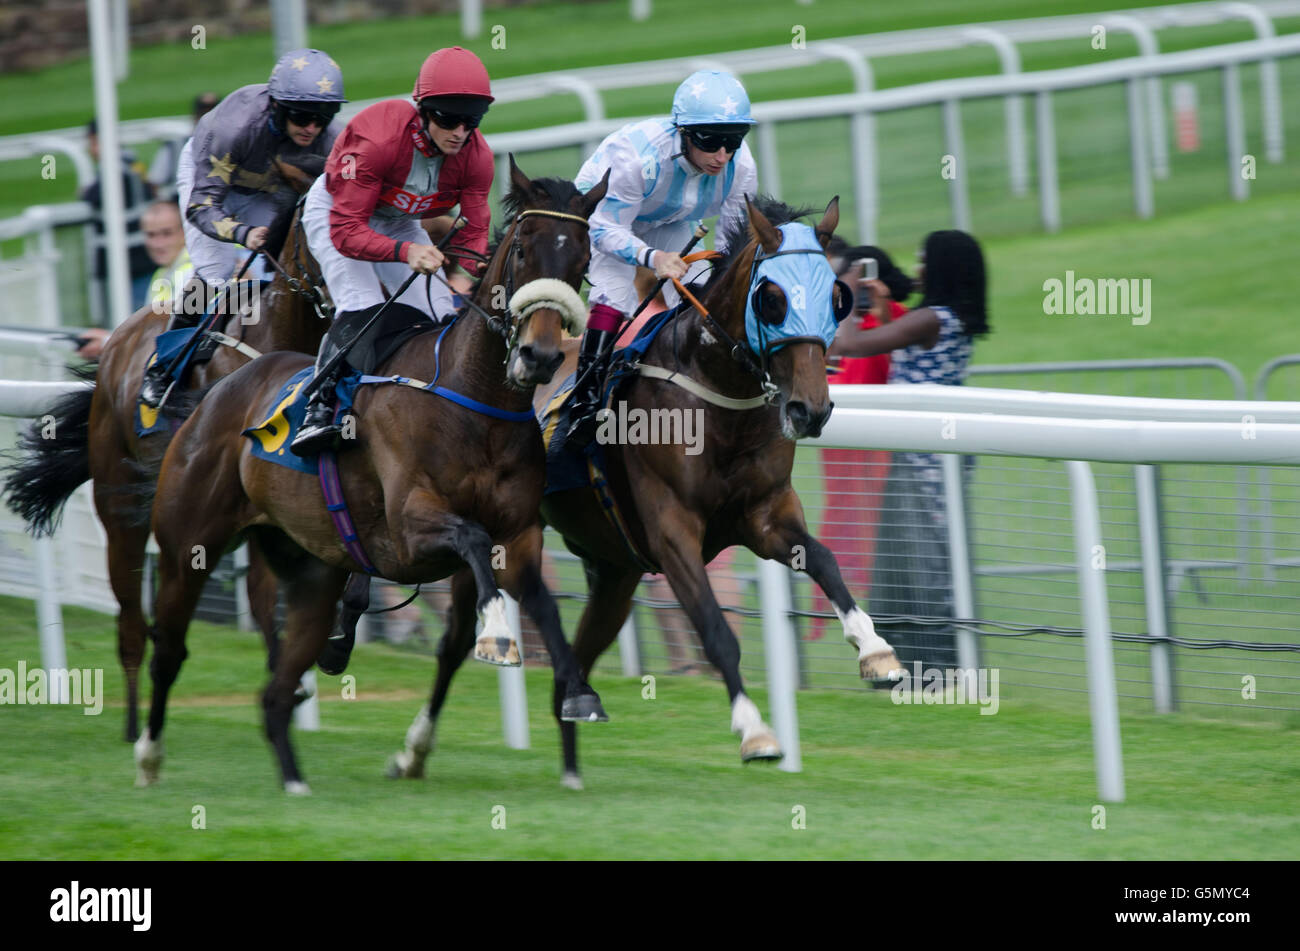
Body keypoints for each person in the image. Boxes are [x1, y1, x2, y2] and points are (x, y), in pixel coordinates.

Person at [291, 46, 495, 456]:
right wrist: (406, 253)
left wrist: (471, 272)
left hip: (398, 218)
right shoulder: (378, 138)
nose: (459, 132)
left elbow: (474, 231)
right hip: (340, 213)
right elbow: (348, 233)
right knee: (362, 303)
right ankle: (319, 407)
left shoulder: (476, 156)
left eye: (470, 121)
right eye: (448, 119)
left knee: (441, 310)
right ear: (422, 109)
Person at [138, 48, 345, 409]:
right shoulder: (233, 127)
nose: (312, 128)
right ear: (278, 106)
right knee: (216, 272)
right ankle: (164, 369)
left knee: (289, 263)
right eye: (302, 117)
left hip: (268, 186)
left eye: (323, 117)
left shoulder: (331, 140)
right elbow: (202, 206)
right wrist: (241, 234)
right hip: (213, 183)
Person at [564, 69, 759, 448]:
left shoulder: (741, 166)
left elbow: (735, 244)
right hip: (604, 219)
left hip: (672, 220)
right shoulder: (636, 158)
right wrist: (652, 258)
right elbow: (601, 228)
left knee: (703, 296)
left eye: (732, 142)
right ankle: (585, 402)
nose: (722, 156)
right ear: (683, 132)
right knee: (615, 293)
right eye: (710, 142)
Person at [829, 230, 990, 673]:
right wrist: (879, 307)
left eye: (924, 260)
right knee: (922, 555)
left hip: (924, 457)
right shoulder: (948, 319)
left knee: (921, 560)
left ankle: (935, 663)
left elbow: (848, 346)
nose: (917, 268)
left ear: (940, 269)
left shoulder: (931, 319)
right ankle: (925, 659)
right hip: (936, 451)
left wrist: (845, 298)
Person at [811, 242, 912, 639]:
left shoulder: (895, 318)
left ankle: (878, 608)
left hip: (876, 455)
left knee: (874, 530)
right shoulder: (832, 325)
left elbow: (892, 354)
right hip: (839, 461)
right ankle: (834, 610)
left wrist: (877, 304)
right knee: (840, 525)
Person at [80, 118, 156, 313]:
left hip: (129, 258)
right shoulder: (132, 163)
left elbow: (91, 197)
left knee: (134, 317)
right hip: (140, 254)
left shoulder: (114, 167)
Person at [146, 91, 220, 201]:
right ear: (195, 116)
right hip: (179, 202)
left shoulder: (232, 144)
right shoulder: (175, 145)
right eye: (203, 114)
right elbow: (155, 181)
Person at [140, 200, 193, 311]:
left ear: (184, 232)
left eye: (167, 233)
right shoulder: (159, 274)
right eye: (151, 235)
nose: (158, 244)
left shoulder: (196, 271)